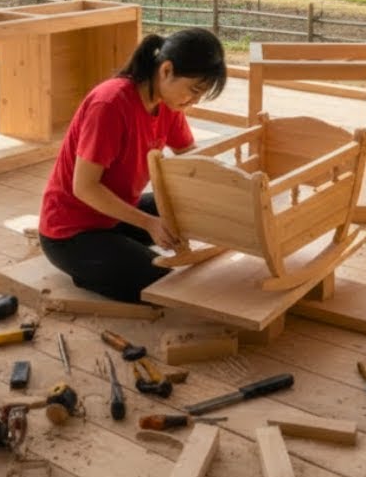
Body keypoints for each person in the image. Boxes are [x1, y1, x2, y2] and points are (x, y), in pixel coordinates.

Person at [38, 27, 226, 303]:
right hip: (71, 231)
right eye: (194, 90)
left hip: (116, 214)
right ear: (166, 70)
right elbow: (84, 187)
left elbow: (191, 159)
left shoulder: (168, 104)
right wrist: (149, 223)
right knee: (162, 284)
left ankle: (116, 253)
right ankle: (90, 269)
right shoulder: (110, 104)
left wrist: (229, 187)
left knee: (181, 206)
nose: (194, 101)